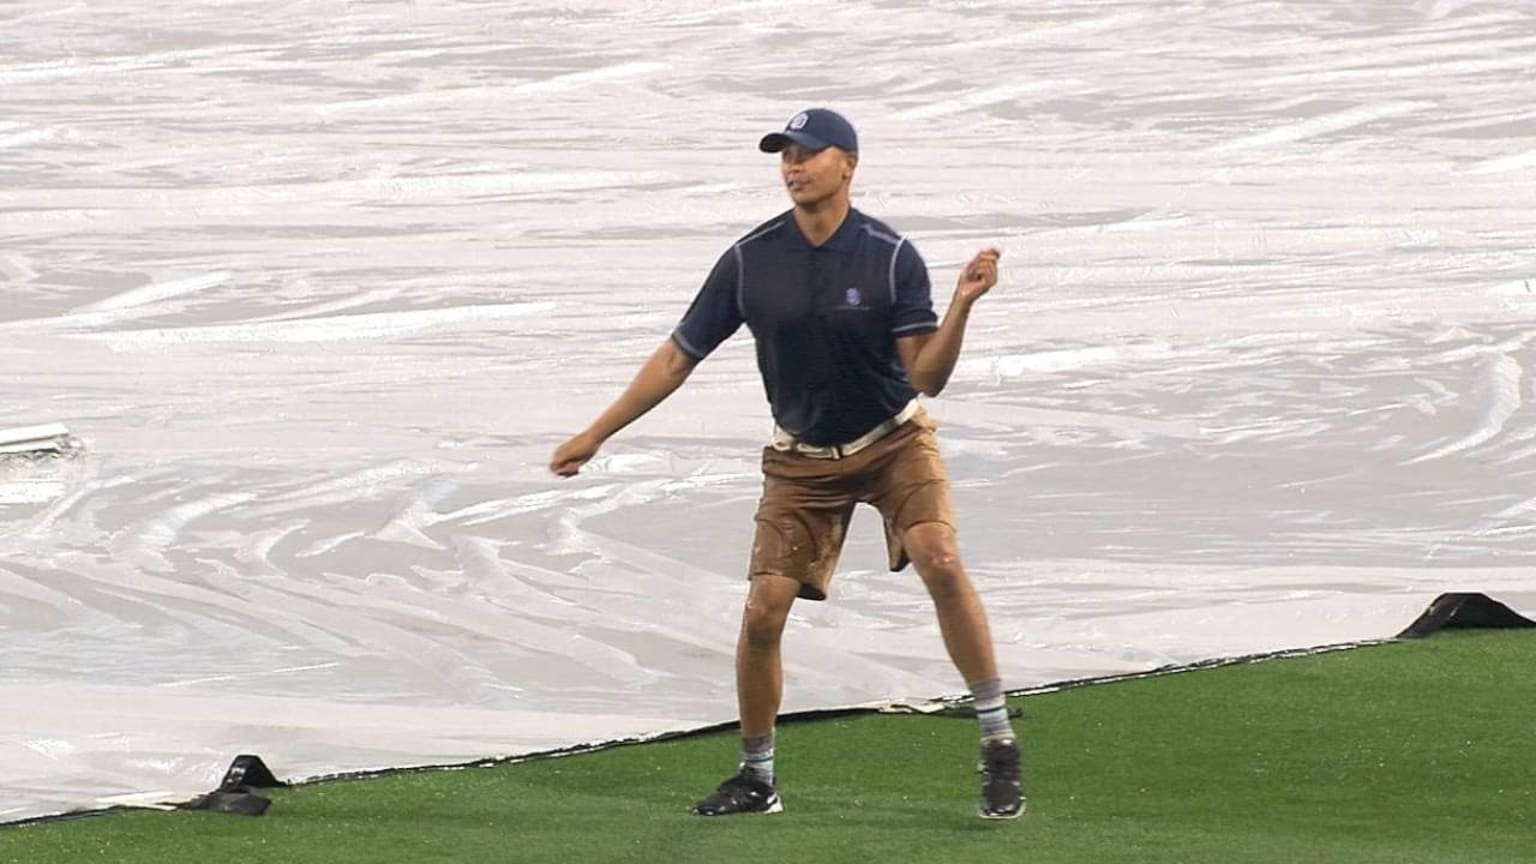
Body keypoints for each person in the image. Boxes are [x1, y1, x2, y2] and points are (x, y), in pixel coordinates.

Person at [549, 108, 1022, 820]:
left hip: (893, 441)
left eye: (807, 154)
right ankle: (756, 776)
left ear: (848, 164)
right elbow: (679, 354)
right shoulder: (751, 259)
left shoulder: (890, 256)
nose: (793, 167)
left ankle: (997, 739)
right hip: (800, 461)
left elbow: (926, 377)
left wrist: (961, 306)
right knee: (764, 610)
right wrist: (597, 432)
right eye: (784, 157)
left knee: (940, 557)